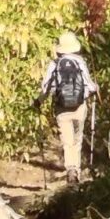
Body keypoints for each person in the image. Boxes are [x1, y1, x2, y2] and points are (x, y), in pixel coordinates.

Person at [37, 29, 97, 182]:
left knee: (66, 141)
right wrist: (94, 89)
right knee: (77, 140)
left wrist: (38, 101)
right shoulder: (80, 62)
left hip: (61, 108)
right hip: (79, 107)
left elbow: (46, 88)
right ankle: (75, 170)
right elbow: (89, 86)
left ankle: (70, 169)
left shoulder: (54, 64)